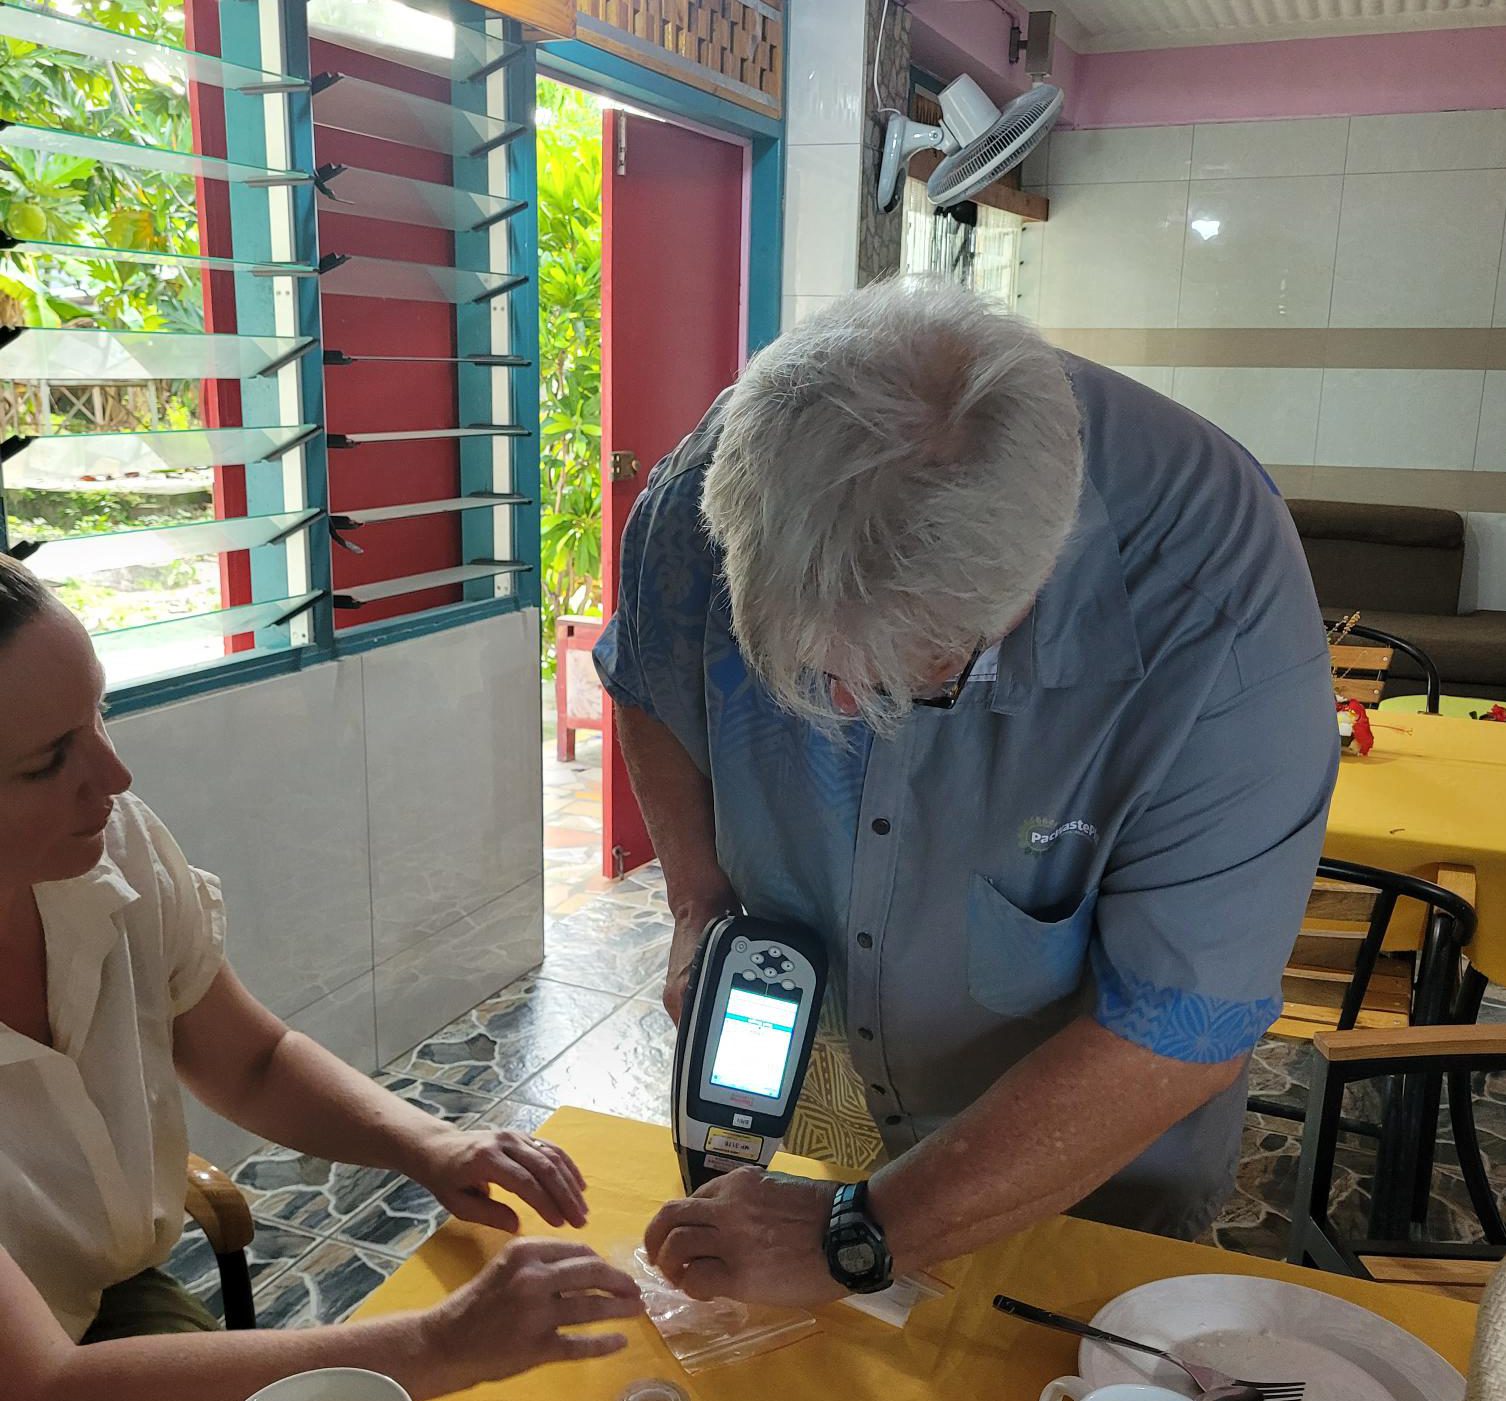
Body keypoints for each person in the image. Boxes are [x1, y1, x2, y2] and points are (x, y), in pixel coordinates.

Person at [596, 280, 1339, 1306]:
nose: (845, 707)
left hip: (1079, 1141)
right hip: (824, 1072)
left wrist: (856, 1237)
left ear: (1036, 578)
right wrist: (696, 903)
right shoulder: (716, 490)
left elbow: (1180, 1024)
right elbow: (647, 680)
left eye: (910, 677)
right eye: (806, 676)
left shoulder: (1215, 592)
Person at [0, 554, 641, 1401]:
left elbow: (250, 1058)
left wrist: (429, 1142)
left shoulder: (114, 850)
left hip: (106, 1304)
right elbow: (44, 1383)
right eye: (49, 761)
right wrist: (443, 1339)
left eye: (101, 714)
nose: (115, 778)